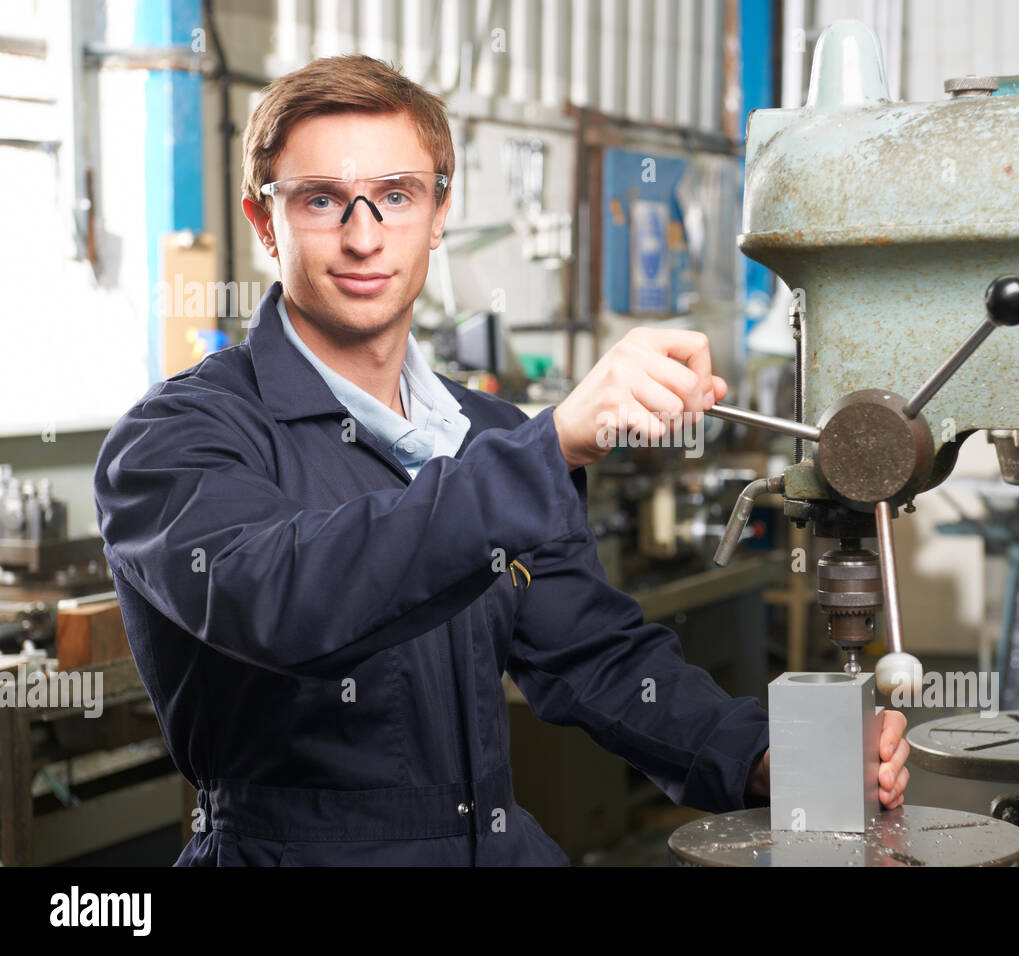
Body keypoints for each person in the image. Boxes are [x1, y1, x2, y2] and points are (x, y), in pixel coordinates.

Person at [92, 54, 909, 866]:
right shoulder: (178, 438)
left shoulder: (480, 429)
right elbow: (281, 602)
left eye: (398, 195)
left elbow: (594, 658)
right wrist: (547, 446)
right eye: (322, 201)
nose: (364, 234)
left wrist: (767, 756)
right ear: (264, 222)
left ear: (440, 211)